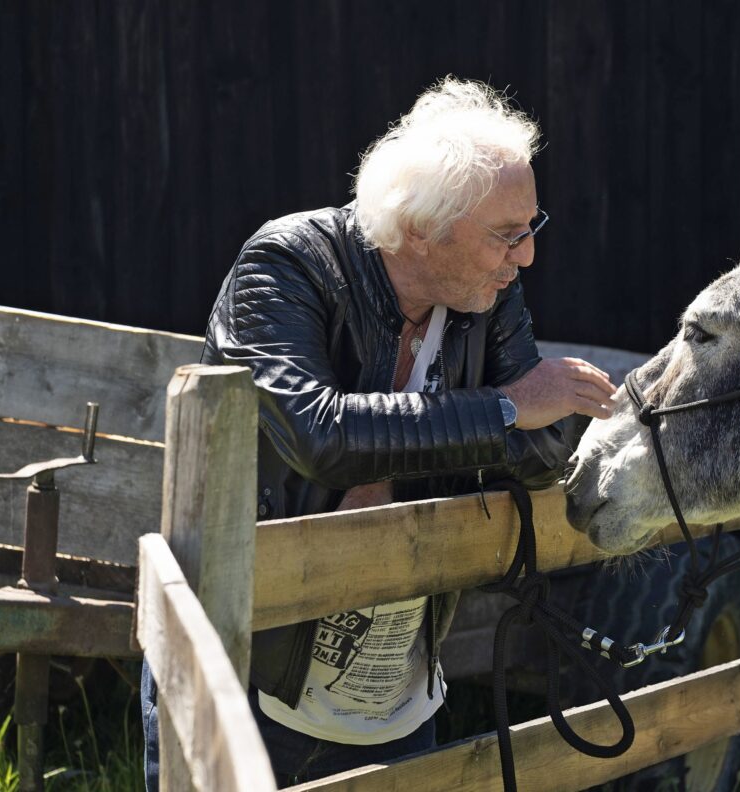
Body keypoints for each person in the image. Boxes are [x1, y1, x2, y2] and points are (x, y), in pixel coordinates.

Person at [140, 77, 616, 789]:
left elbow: (548, 448)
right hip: (244, 665)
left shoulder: (488, 295)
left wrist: (498, 421)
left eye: (530, 227)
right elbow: (320, 435)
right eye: (504, 235)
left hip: (395, 684)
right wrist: (502, 411)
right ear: (422, 229)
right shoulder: (288, 264)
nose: (526, 257)